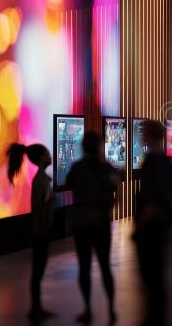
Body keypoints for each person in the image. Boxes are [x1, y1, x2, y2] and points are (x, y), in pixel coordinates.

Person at [57, 132, 119, 323]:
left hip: (82, 223)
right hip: (101, 222)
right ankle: (111, 308)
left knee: (84, 267)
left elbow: (69, 186)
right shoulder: (106, 168)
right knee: (105, 266)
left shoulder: (77, 168)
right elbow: (114, 192)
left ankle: (87, 309)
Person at [6, 142, 55, 320]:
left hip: (41, 231)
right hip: (41, 232)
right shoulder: (41, 181)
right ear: (42, 158)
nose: (50, 156)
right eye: (48, 153)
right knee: (38, 271)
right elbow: (41, 208)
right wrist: (45, 228)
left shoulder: (41, 180)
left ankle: (37, 308)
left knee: (39, 270)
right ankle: (36, 309)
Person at [133, 120, 172, 326]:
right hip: (161, 224)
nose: (141, 136)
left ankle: (154, 316)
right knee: (156, 273)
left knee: (151, 273)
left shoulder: (152, 161)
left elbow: (151, 197)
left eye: (144, 132)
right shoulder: (165, 161)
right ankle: (157, 314)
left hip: (151, 227)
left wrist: (140, 225)